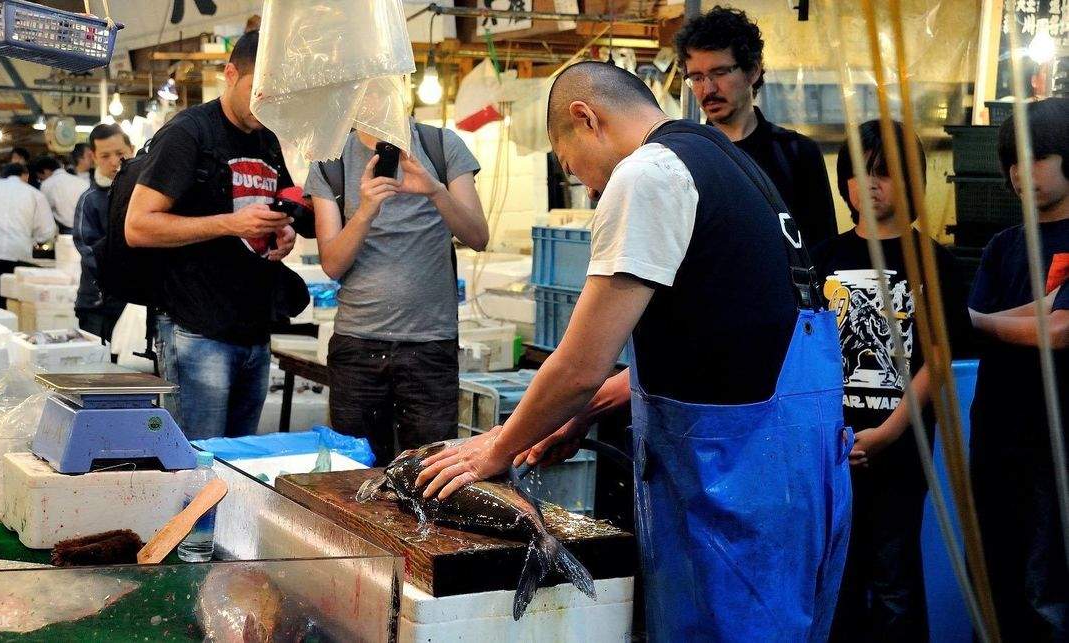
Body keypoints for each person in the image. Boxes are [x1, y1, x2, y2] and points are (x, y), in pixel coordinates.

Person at [415, 61, 851, 641]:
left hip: (738, 486)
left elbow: (578, 365)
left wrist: (501, 444)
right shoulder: (721, 159)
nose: (589, 187)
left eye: (572, 167)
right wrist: (583, 413)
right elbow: (724, 339)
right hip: (795, 470)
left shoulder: (647, 175)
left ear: (585, 118)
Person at [814, 120, 971, 641]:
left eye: (885, 173)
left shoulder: (936, 263)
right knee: (834, 576)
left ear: (915, 181)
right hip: (828, 450)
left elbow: (940, 357)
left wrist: (890, 431)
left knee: (893, 578)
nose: (871, 185)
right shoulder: (821, 259)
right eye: (859, 173)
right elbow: (805, 353)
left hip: (902, 448)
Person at [125, 30, 308, 441]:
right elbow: (138, 226)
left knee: (239, 469)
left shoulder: (270, 140)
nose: (269, 105)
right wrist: (230, 223)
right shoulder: (188, 134)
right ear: (230, 74)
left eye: (280, 96)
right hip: (196, 331)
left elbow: (269, 205)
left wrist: (281, 233)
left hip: (255, 331)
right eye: (260, 91)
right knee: (197, 463)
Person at [305, 122, 488, 465]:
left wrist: (435, 190)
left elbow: (478, 236)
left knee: (430, 477)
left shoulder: (441, 145)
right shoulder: (330, 159)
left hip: (430, 346)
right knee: (353, 473)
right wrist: (365, 210)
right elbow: (332, 263)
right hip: (357, 346)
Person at [967, 97, 1069, 641]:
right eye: (1011, 160)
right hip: (996, 429)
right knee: (993, 567)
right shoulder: (1002, 246)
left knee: (1046, 586)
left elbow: (1060, 331)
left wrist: (987, 321)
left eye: (1034, 157)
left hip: (1056, 439)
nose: (1017, 172)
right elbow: (973, 318)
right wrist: (1037, 312)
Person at [675, 6, 838, 249]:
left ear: (752, 71)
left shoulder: (797, 154)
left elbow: (821, 248)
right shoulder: (683, 158)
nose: (707, 89)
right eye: (696, 77)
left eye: (719, 73)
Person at [73, 124, 133, 344]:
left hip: (135, 305)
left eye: (120, 153)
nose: (114, 161)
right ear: (94, 157)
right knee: (99, 374)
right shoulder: (89, 200)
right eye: (105, 156)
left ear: (132, 150)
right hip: (96, 305)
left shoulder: (144, 193)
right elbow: (87, 248)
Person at [0, 163, 56, 308]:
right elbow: (47, 231)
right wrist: (33, 238)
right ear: (25, 176)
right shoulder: (34, 193)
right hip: (18, 254)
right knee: (13, 305)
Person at [36, 155, 89, 234]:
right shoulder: (81, 181)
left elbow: (44, 212)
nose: (41, 181)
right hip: (89, 229)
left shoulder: (47, 184)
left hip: (67, 231)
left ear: (46, 171)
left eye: (41, 178)